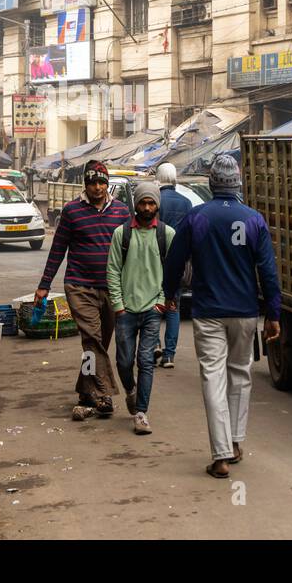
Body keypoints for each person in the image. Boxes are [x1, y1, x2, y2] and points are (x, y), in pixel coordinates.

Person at [164, 154, 281, 480]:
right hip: (244, 313)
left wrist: (168, 294)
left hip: (208, 313)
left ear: (212, 183)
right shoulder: (255, 219)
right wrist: (273, 313)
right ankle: (235, 443)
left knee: (213, 380)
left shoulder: (197, 217)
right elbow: (268, 272)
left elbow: (175, 261)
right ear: (238, 184)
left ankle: (221, 457)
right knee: (240, 376)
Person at [34, 159, 130, 420]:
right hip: (79, 286)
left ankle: (85, 391)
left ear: (107, 184)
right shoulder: (72, 211)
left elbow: (130, 252)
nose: (97, 187)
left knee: (97, 345)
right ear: (85, 184)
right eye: (92, 182)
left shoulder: (121, 212)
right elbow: (58, 250)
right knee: (92, 339)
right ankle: (103, 393)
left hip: (112, 288)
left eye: (101, 182)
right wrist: (44, 285)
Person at [107, 181, 175, 435]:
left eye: (151, 203)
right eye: (142, 203)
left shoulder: (166, 235)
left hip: (152, 310)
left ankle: (141, 413)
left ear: (158, 205)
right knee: (124, 362)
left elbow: (173, 273)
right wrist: (118, 305)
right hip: (126, 310)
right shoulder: (121, 234)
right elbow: (112, 271)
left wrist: (161, 301)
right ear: (135, 204)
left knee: (145, 360)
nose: (147, 208)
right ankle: (130, 391)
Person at [154, 162, 193, 369]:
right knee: (173, 308)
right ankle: (169, 356)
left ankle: (154, 345)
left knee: (152, 306)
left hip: (154, 263)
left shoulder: (153, 201)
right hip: (177, 264)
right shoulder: (186, 203)